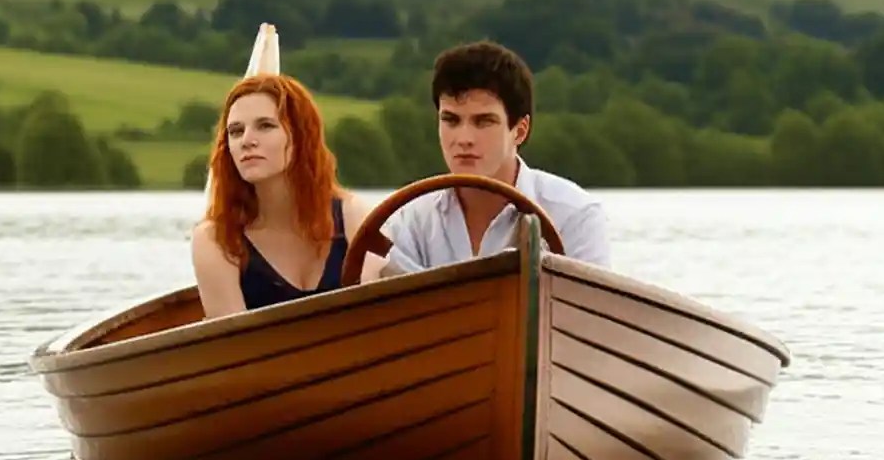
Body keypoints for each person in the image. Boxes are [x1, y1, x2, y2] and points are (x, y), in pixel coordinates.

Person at [361, 40, 611, 281]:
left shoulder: (575, 216)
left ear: (520, 130)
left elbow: (592, 317)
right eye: (451, 120)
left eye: (483, 122)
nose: (464, 139)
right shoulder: (408, 222)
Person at [191, 74, 370, 318]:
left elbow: (381, 311)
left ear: (300, 136)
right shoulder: (216, 239)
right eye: (235, 131)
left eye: (265, 126)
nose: (247, 141)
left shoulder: (352, 214)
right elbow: (233, 347)